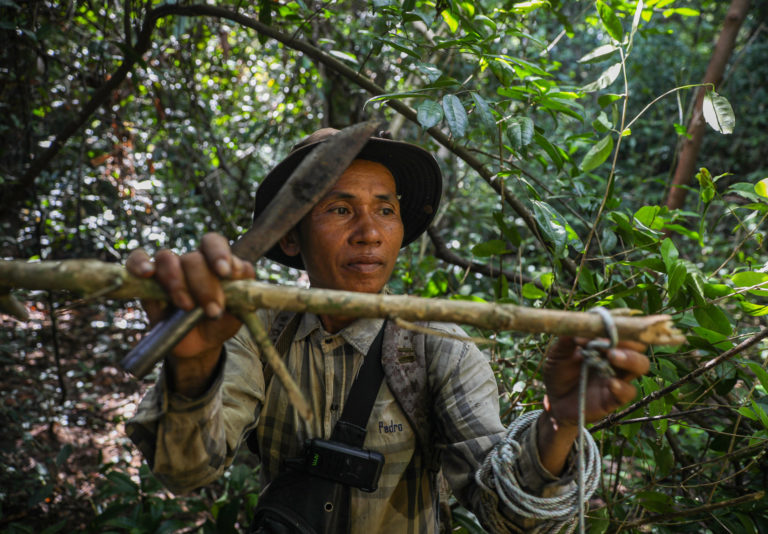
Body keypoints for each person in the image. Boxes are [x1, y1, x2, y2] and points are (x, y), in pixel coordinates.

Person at [125, 128, 649, 533]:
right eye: (339, 208)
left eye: (385, 209)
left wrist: (560, 421)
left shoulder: (437, 342)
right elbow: (186, 473)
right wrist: (192, 365)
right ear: (290, 239)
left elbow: (509, 516)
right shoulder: (253, 332)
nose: (369, 233)